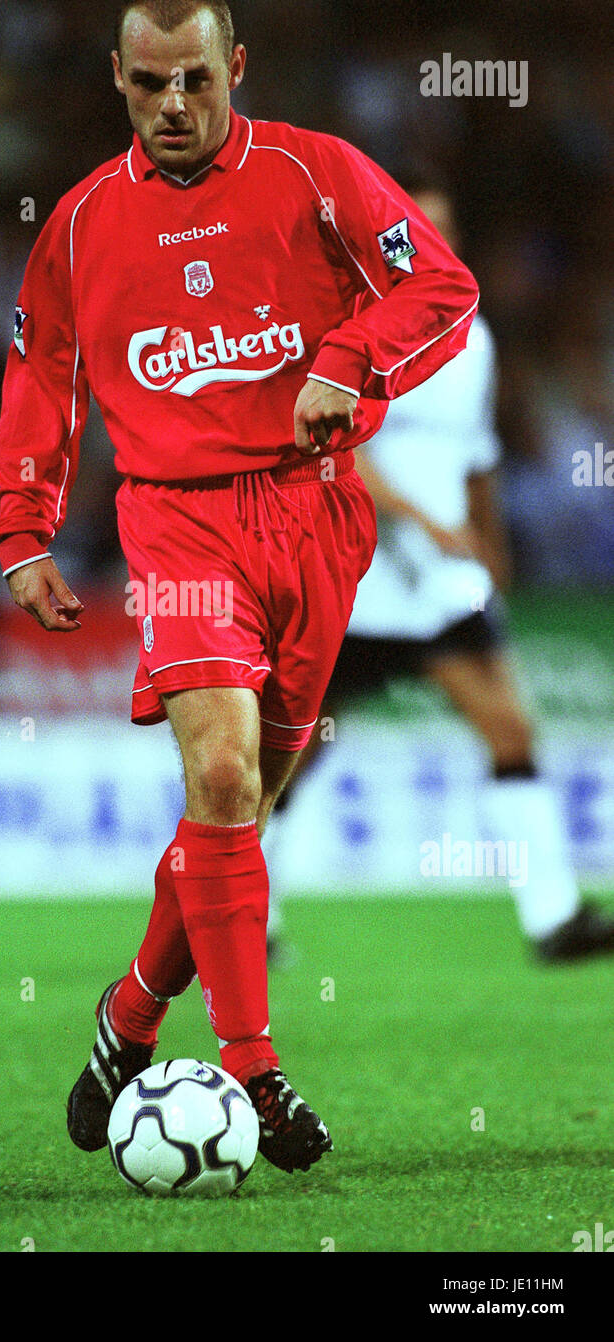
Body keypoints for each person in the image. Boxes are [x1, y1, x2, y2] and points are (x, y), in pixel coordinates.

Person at [0, 0, 478, 1173]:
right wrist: (25, 530)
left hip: (315, 517)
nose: (172, 103)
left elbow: (441, 289)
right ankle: (252, 1066)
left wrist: (348, 358)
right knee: (217, 769)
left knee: (238, 807)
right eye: (150, 82)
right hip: (177, 522)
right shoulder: (80, 223)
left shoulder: (316, 172)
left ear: (235, 69)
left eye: (195, 79)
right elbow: (42, 374)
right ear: (117, 79)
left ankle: (129, 1012)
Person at [264, 183, 614, 966]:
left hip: (442, 580)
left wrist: (491, 543)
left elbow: (475, 452)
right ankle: (246, 913)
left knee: (509, 727)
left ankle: (554, 918)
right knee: (292, 750)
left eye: (441, 230)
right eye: (411, 228)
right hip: (357, 577)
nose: (426, 243)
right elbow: (333, 448)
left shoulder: (470, 337)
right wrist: (424, 521)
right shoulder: (345, 329)